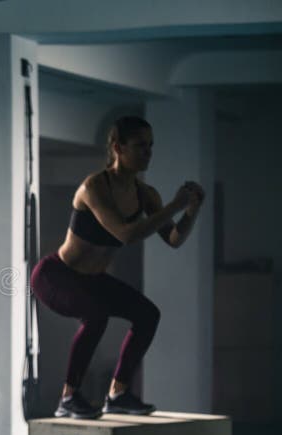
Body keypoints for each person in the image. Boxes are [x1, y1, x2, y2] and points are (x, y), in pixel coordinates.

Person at [29, 116, 205, 419]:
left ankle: (118, 393)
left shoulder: (146, 195)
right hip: (56, 275)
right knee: (96, 316)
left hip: (94, 279)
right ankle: (68, 398)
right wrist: (174, 206)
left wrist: (191, 210)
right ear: (117, 148)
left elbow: (174, 239)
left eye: (151, 146)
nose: (148, 153)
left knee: (148, 314)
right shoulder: (94, 187)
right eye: (140, 146)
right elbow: (124, 233)